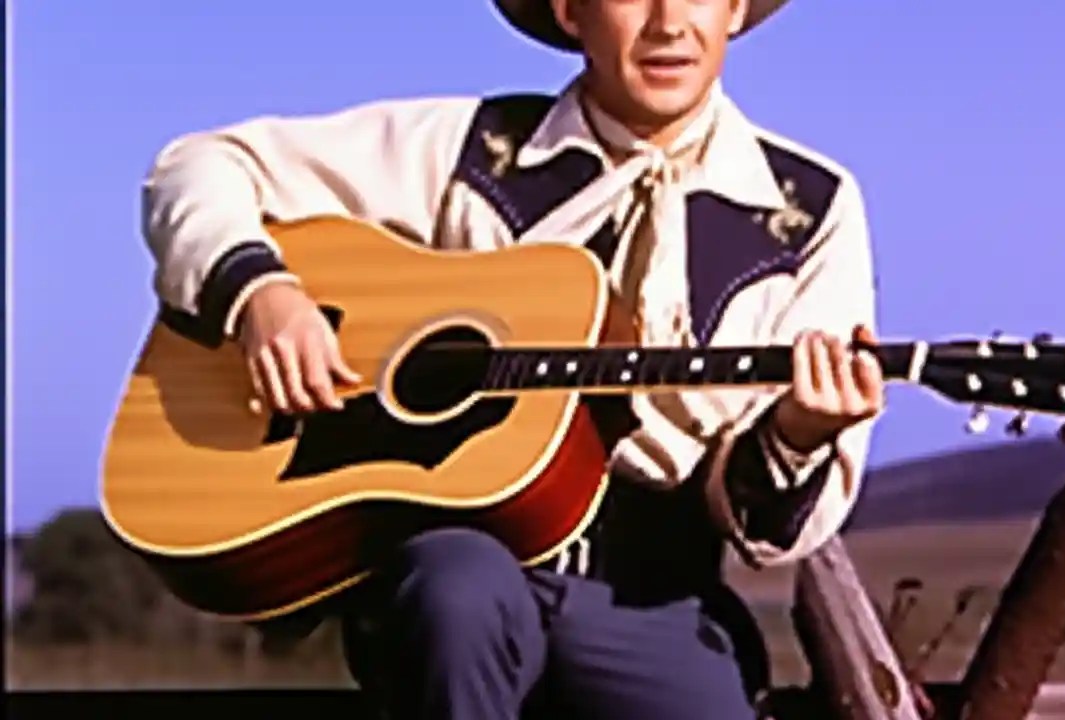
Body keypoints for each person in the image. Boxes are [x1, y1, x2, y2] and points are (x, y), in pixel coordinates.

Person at [140, 0, 885, 718]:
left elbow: (770, 530)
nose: (668, 23)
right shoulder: (469, 149)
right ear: (570, 10)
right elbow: (200, 164)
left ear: (735, 10)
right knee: (453, 597)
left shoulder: (812, 212)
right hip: (458, 558)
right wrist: (258, 292)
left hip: (649, 593)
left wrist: (795, 435)